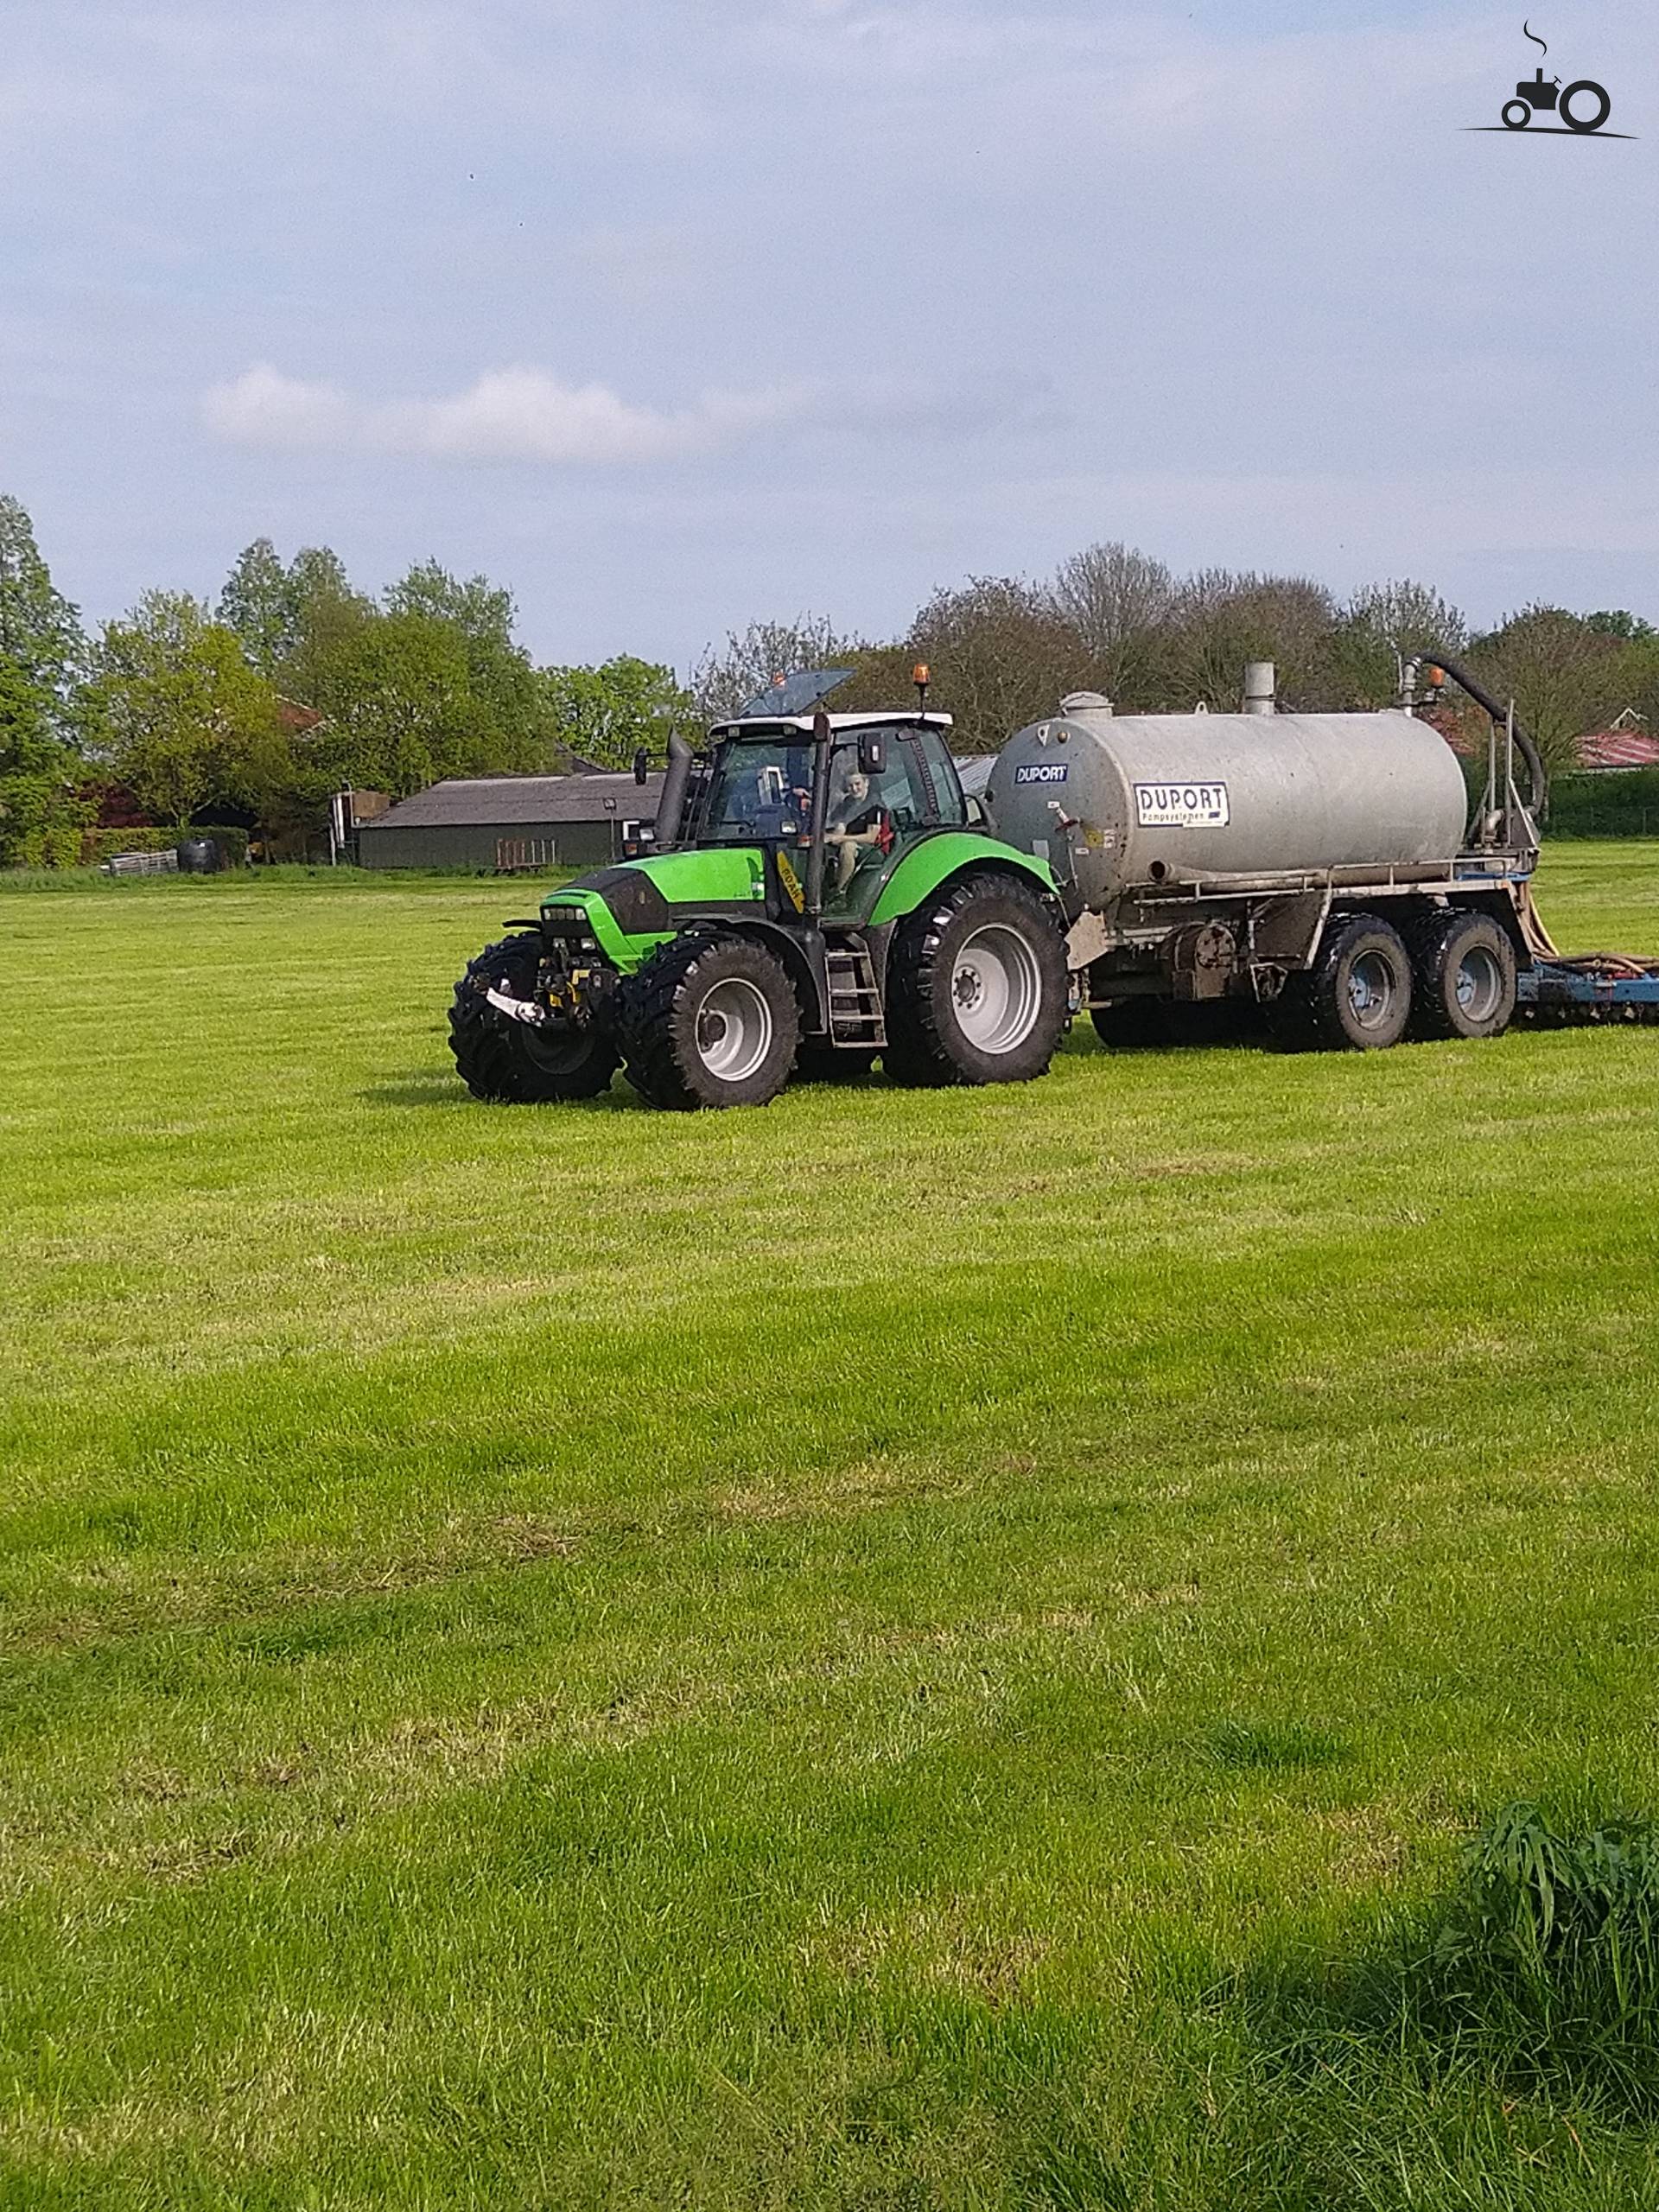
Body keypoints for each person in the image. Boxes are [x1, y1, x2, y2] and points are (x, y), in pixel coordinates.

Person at [824, 767, 891, 891]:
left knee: (848, 846)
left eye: (857, 784)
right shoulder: (848, 803)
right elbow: (840, 825)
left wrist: (841, 838)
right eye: (850, 786)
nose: (854, 789)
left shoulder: (875, 806)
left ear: (866, 783)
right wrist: (831, 836)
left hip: (873, 850)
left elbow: (871, 837)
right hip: (851, 843)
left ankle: (841, 892)